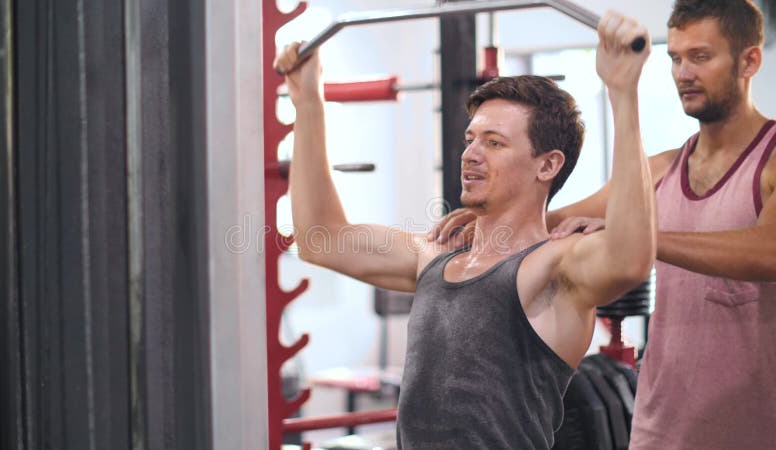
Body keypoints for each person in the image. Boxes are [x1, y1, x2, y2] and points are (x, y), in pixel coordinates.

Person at [274, 11, 654, 450]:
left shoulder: (554, 267)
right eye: (471, 138)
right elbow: (323, 238)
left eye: (494, 142)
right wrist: (307, 102)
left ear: (547, 164)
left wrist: (623, 93)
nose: (471, 153)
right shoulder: (436, 254)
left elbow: (630, 257)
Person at [431, 1, 776, 448]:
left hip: (756, 428)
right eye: (675, 57)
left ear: (750, 61)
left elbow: (767, 252)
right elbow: (550, 220)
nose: (683, 73)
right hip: (660, 426)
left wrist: (639, 239)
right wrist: (484, 224)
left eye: (701, 56)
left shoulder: (769, 160)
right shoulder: (660, 171)